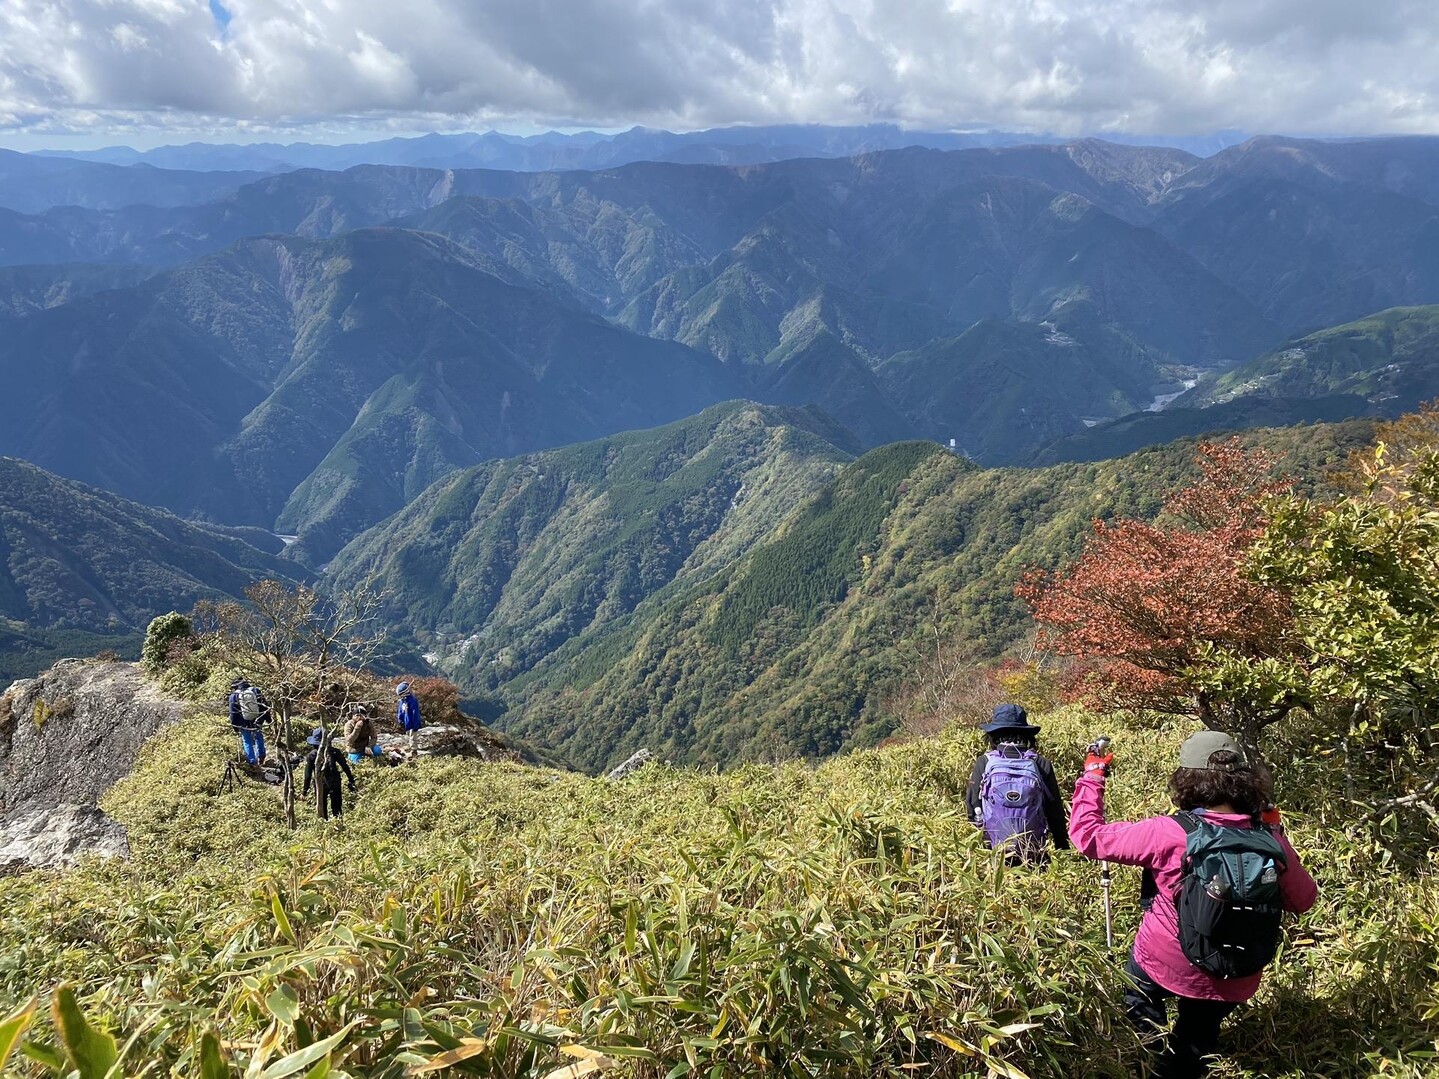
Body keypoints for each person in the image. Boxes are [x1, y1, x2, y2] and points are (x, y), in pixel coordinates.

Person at [1070, 730, 1318, 1079]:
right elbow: (1304, 900)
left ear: (1186, 779)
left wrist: (1093, 774)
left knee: (1140, 999)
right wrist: (1274, 836)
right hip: (1235, 973)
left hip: (1163, 959)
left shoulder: (1169, 831)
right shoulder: (1268, 834)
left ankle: (1148, 1056)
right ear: (1246, 780)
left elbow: (1088, 836)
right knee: (1198, 1037)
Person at [964, 703, 1069, 864]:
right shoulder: (1040, 763)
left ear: (993, 733)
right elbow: (1054, 810)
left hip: (995, 853)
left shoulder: (984, 762)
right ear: (1026, 733)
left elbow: (972, 805)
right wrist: (1062, 846)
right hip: (1034, 853)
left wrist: (981, 847)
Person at [302, 727, 356, 820]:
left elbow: (308, 775)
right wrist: (351, 780)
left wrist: (304, 791)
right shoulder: (335, 751)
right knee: (337, 809)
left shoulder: (312, 755)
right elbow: (345, 767)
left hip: (320, 783)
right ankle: (338, 826)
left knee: (322, 809)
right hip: (335, 781)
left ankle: (324, 826)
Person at [227, 678, 269, 767]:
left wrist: (235, 727)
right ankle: (261, 756)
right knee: (259, 737)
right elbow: (264, 706)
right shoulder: (255, 690)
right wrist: (268, 719)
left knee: (247, 741)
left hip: (243, 723)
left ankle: (252, 762)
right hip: (257, 720)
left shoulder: (233, 696)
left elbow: (233, 714)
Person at [395, 681, 423, 754]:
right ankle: (410, 747)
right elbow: (400, 711)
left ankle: (414, 750)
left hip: (412, 722)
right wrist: (400, 720)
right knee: (408, 735)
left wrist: (416, 724)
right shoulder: (403, 701)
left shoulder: (412, 700)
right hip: (407, 722)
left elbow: (415, 713)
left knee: (413, 737)